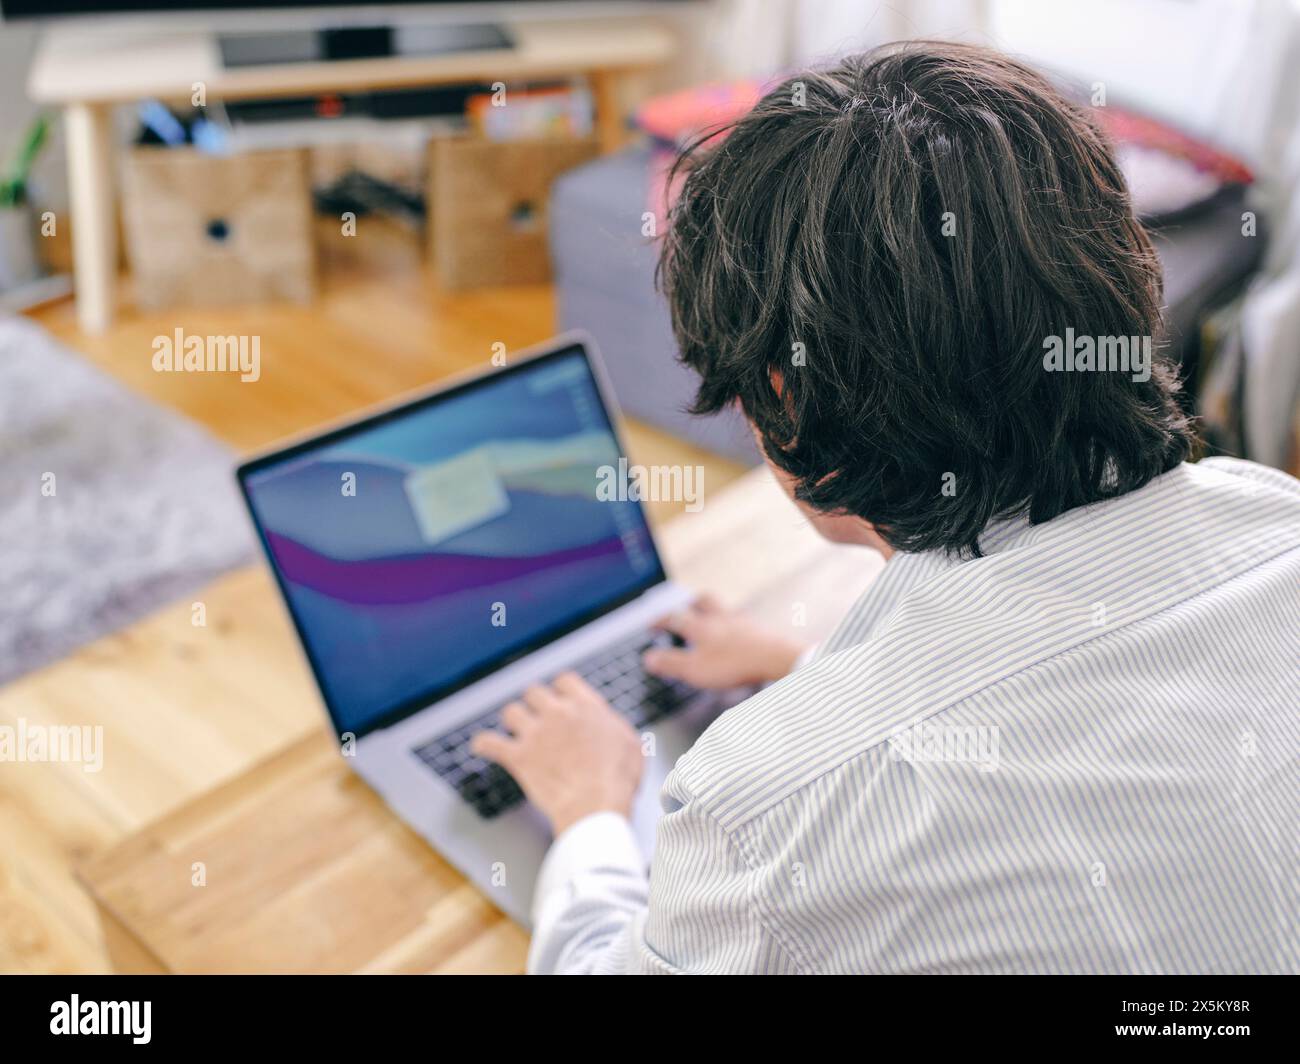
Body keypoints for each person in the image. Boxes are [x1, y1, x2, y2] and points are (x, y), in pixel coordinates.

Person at [470, 41, 1300, 974]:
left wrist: (588, 813)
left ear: (779, 399)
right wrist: (813, 670)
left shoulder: (761, 814)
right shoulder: (1273, 518)